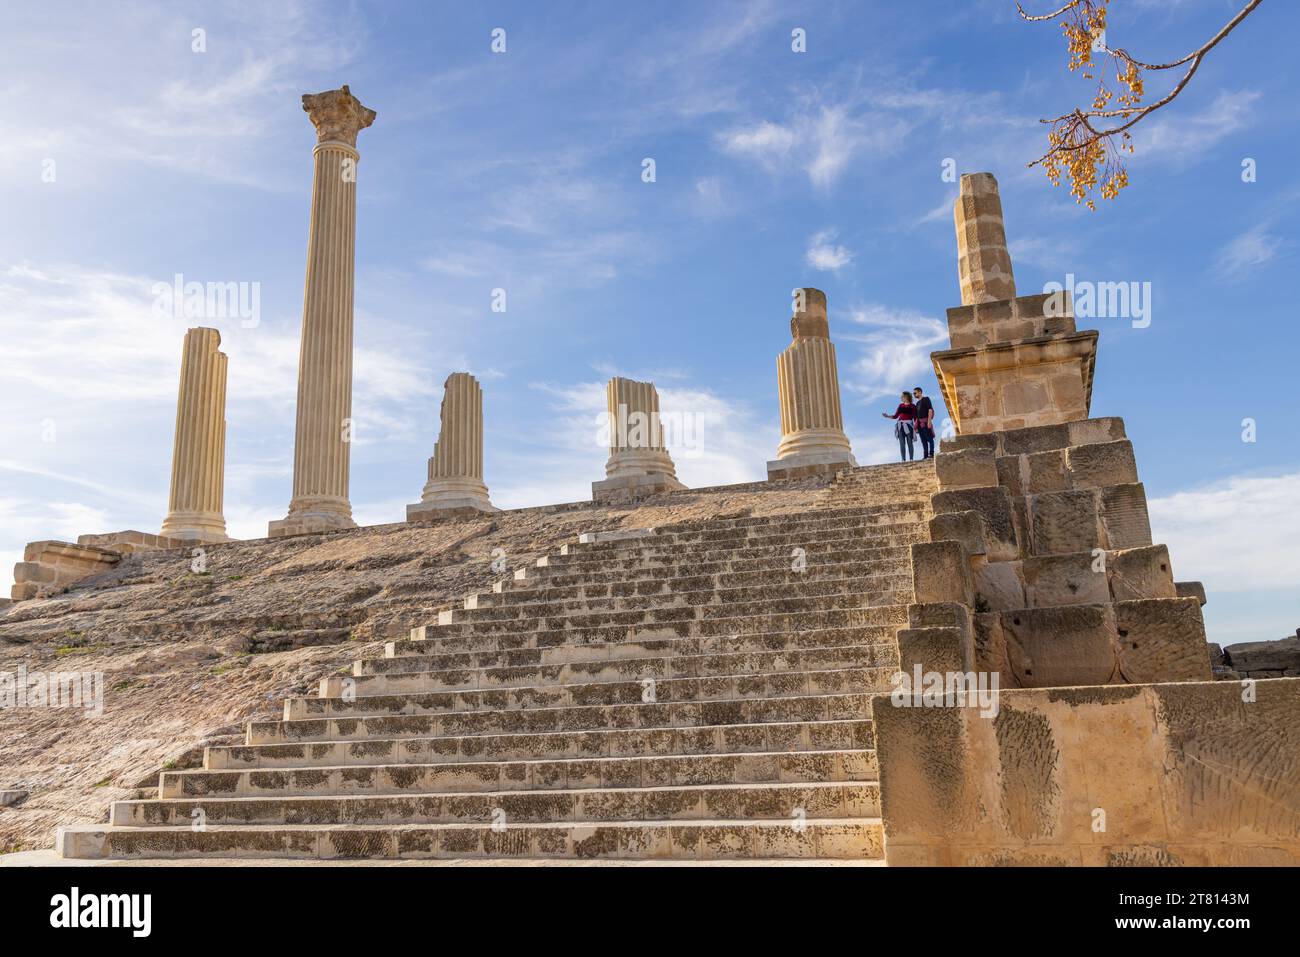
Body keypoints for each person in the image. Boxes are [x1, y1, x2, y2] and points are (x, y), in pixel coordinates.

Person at [882, 391, 917, 462]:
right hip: (900, 426)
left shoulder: (913, 406)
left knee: (910, 442)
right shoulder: (901, 405)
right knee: (902, 443)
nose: (901, 398)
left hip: (909, 425)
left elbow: (915, 417)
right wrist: (887, 416)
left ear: (907, 397)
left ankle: (911, 459)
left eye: (902, 396)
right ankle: (903, 459)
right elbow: (895, 416)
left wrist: (916, 427)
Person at [913, 386, 935, 459]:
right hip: (919, 424)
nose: (914, 394)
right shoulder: (917, 403)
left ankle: (931, 454)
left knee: (930, 439)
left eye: (915, 393)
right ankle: (925, 456)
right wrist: (916, 427)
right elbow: (916, 416)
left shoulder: (926, 399)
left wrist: (929, 421)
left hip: (926, 422)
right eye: (913, 393)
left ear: (920, 392)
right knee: (923, 441)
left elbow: (930, 410)